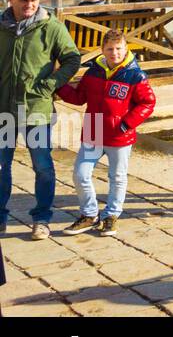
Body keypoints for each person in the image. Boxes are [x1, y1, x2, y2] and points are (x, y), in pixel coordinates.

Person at [0, 0, 82, 240]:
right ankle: (0, 216)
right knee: (1, 166)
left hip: (36, 109)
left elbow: (72, 58)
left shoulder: (52, 27)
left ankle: (42, 218)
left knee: (43, 165)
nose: (30, 4)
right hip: (3, 109)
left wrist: (51, 85)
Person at [55, 29, 155, 237]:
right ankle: (90, 215)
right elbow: (79, 97)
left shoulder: (136, 75)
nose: (114, 53)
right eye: (110, 49)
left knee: (117, 177)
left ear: (126, 48)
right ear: (102, 50)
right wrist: (58, 86)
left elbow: (148, 102)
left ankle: (111, 216)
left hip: (119, 135)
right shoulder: (93, 72)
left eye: (119, 48)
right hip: (93, 129)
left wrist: (127, 124)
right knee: (80, 174)